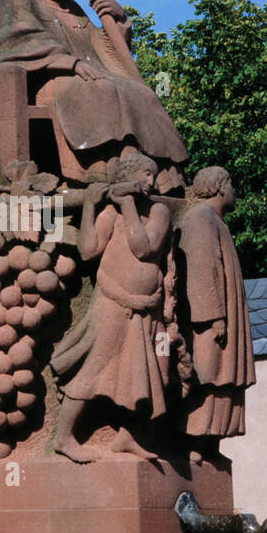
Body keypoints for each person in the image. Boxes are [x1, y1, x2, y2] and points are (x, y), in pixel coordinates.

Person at [0, 0, 187, 191]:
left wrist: (115, 15)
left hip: (85, 75)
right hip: (41, 79)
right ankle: (99, 169)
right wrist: (68, 62)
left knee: (142, 92)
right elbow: (12, 39)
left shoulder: (72, 7)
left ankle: (159, 173)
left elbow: (102, 50)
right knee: (96, 88)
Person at [51, 154, 174, 461]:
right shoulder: (110, 213)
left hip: (149, 312)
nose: (152, 182)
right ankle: (64, 437)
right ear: (129, 176)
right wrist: (92, 205)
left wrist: (129, 204)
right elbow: (88, 250)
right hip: (112, 307)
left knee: (158, 370)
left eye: (153, 176)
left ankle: (128, 435)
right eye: (147, 174)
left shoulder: (159, 211)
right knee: (96, 367)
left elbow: (144, 248)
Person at [175, 167, 255, 455]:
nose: (234, 190)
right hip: (210, 321)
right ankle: (194, 442)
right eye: (230, 183)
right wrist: (214, 317)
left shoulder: (215, 220)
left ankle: (210, 443)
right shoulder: (200, 220)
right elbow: (201, 271)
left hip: (224, 318)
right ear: (219, 186)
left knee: (224, 377)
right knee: (207, 375)